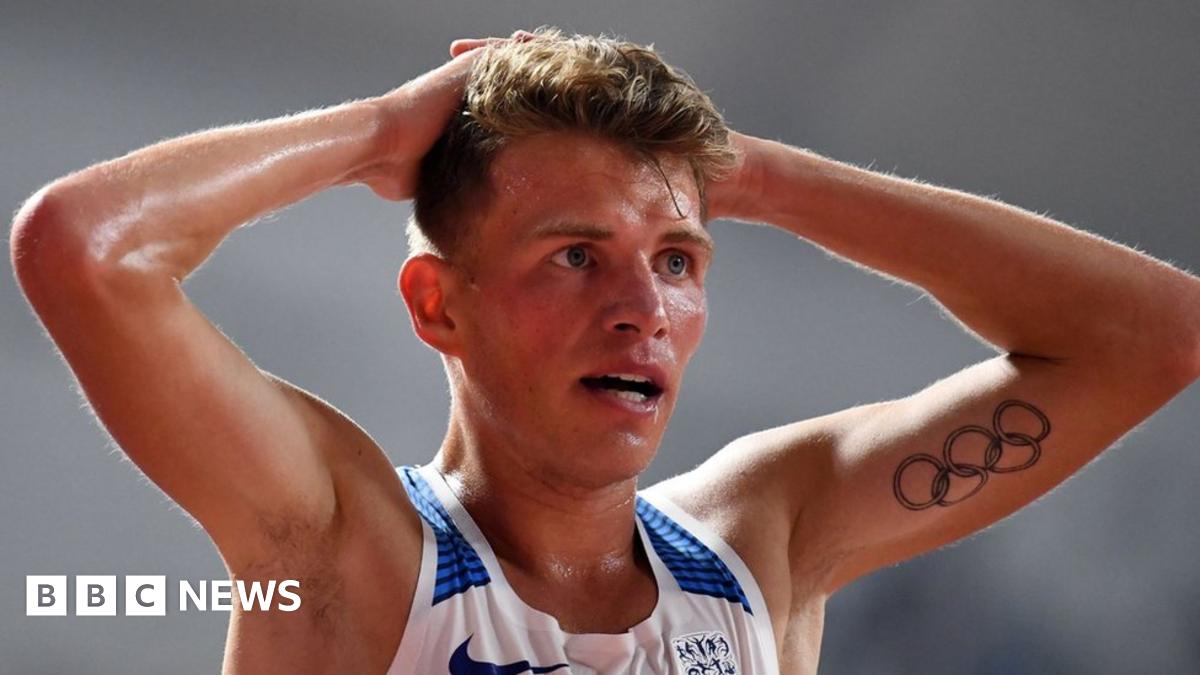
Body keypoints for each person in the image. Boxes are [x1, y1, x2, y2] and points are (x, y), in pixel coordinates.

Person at [9, 26, 1199, 675]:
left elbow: (1154, 335)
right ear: (438, 306)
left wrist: (765, 180)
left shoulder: (761, 547)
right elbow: (83, 249)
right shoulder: (342, 549)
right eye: (576, 255)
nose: (642, 308)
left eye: (677, 259)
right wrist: (379, 135)